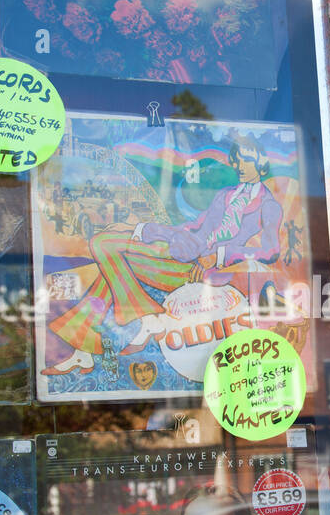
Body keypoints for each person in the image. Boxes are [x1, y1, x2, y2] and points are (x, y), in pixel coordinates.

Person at [42, 137, 284, 375]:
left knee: (106, 247)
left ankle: (109, 336)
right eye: (237, 160)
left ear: (261, 162)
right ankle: (135, 323)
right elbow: (196, 227)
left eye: (247, 161)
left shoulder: (269, 206)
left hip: (204, 274)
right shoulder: (225, 195)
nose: (240, 166)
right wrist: (146, 230)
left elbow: (270, 251)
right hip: (183, 255)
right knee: (107, 248)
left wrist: (221, 256)